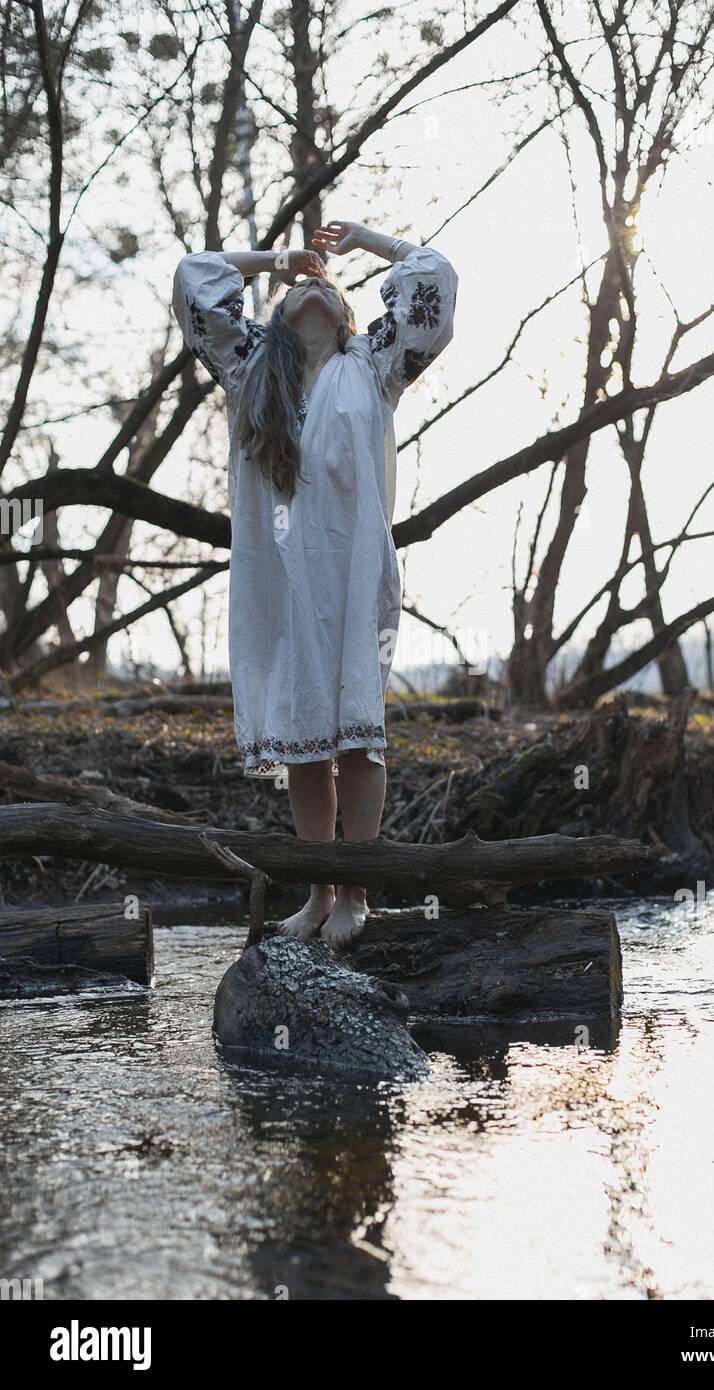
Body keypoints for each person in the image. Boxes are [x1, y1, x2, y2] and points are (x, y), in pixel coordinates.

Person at [171, 220, 458, 943]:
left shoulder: (376, 366)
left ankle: (360, 892)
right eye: (298, 287)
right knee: (303, 743)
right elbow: (195, 275)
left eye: (323, 285)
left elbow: (434, 280)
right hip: (283, 590)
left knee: (359, 739)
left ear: (348, 314)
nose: (310, 286)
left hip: (355, 580)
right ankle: (319, 891)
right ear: (276, 313)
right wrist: (277, 258)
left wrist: (366, 241)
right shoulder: (248, 370)